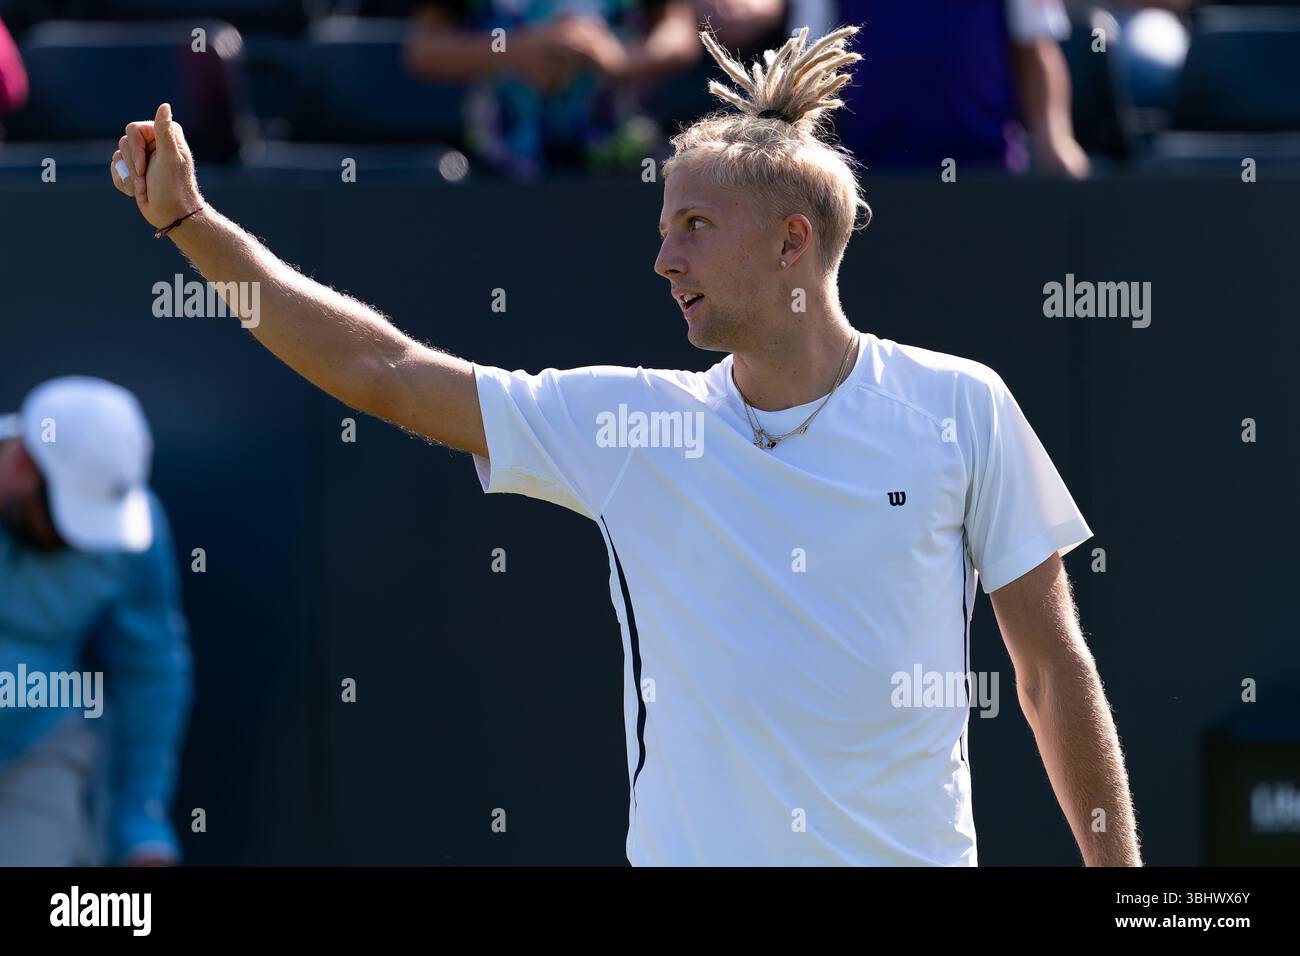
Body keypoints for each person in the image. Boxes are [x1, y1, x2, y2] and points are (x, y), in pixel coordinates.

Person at [108, 24, 1140, 865]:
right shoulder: (629, 427)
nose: (660, 257)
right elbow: (379, 369)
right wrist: (191, 222)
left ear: (792, 240)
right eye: (662, 225)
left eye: (692, 225)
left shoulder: (962, 405)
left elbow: (1052, 671)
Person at [0, 378, 192, 866]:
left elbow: (149, 671)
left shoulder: (132, 533)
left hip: (34, 745)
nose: (83, 542)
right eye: (67, 515)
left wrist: (143, 822)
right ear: (23, 463)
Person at [404, 0, 699, 179]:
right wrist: (513, 51)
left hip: (622, 160)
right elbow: (425, 49)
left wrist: (621, 60)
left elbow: (678, 34)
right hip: (496, 163)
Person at [834, 0, 1090, 178]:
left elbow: (1035, 48)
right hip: (868, 174)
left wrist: (1054, 138)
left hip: (987, 170)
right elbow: (817, 56)